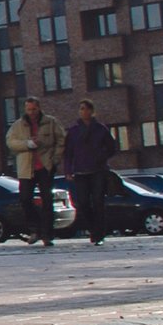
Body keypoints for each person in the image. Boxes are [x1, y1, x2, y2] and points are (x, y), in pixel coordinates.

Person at [62, 98, 120, 245]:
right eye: (81, 109)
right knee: (82, 203)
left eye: (86, 109)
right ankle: (93, 228)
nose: (83, 111)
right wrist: (68, 170)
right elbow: (68, 152)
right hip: (80, 172)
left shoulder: (100, 129)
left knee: (98, 201)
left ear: (92, 111)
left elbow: (112, 147)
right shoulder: (74, 131)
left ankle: (99, 234)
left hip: (98, 170)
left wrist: (101, 156)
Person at [6, 96, 62, 246]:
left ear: (39, 108)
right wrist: (27, 144)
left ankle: (47, 234)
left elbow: (61, 140)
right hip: (26, 168)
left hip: (45, 166)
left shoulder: (50, 122)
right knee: (25, 198)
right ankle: (34, 229)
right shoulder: (18, 125)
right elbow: (10, 142)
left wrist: (55, 159)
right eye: (28, 109)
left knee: (47, 200)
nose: (31, 112)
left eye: (34, 109)